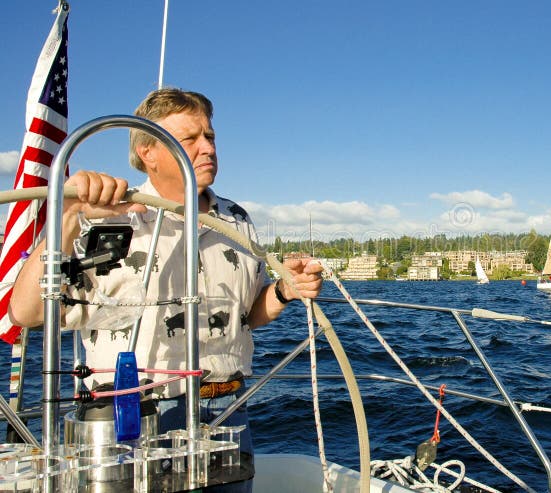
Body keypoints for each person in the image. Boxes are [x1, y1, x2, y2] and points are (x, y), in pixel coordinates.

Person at [10, 88, 323, 492]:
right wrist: (69, 216)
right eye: (189, 139)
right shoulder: (109, 217)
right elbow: (27, 312)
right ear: (148, 153)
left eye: (209, 136)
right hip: (135, 414)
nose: (207, 147)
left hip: (228, 408)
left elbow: (245, 316)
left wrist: (283, 291)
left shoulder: (236, 219)